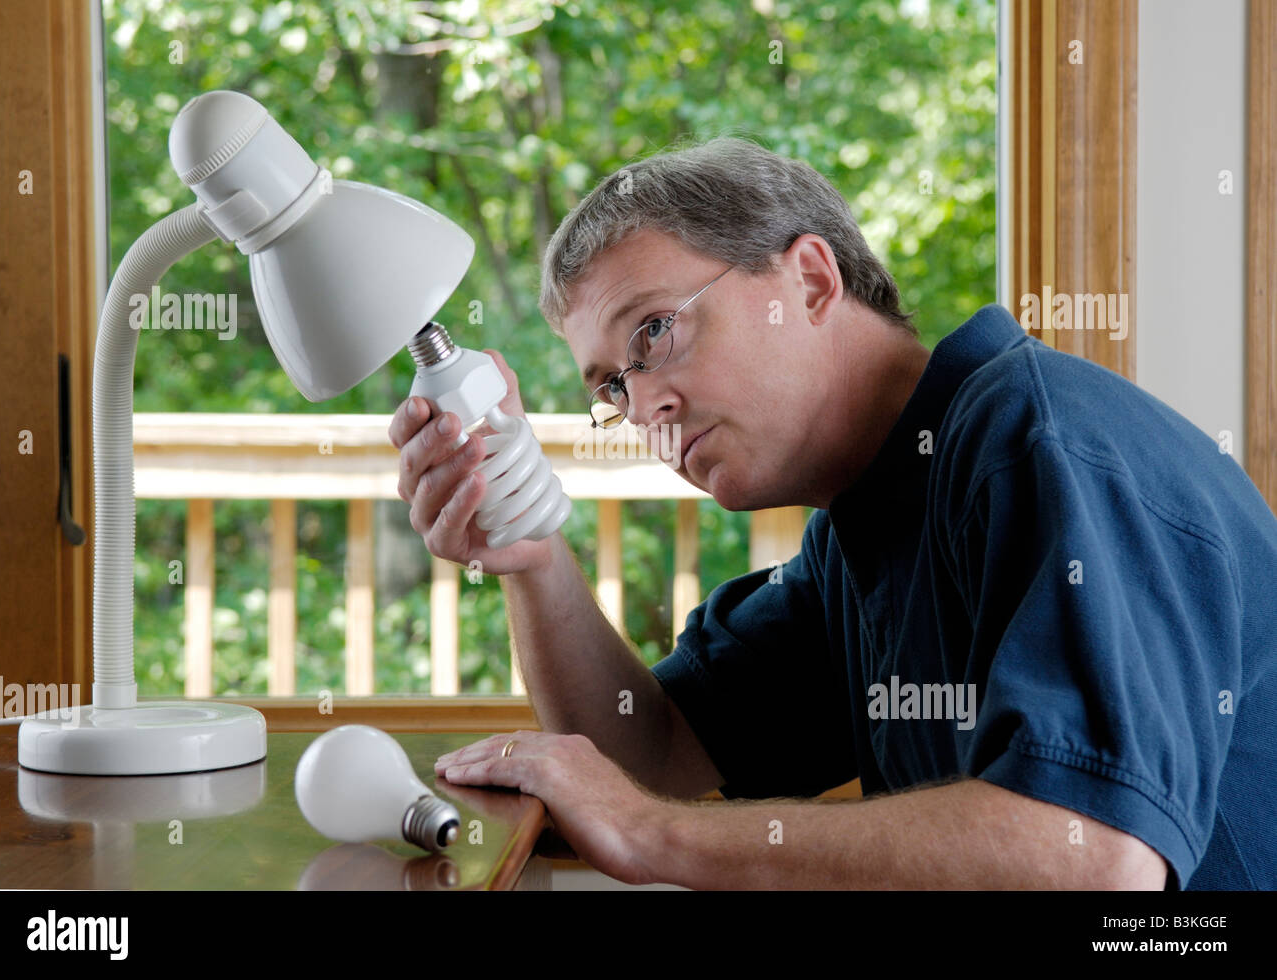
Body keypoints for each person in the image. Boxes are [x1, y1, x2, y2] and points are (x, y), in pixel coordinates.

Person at [388, 138, 1277, 889]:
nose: (642, 406)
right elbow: (648, 750)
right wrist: (530, 551)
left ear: (811, 281)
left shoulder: (1039, 441)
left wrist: (654, 836)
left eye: (653, 332)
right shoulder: (862, 531)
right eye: (612, 387)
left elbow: (1096, 856)